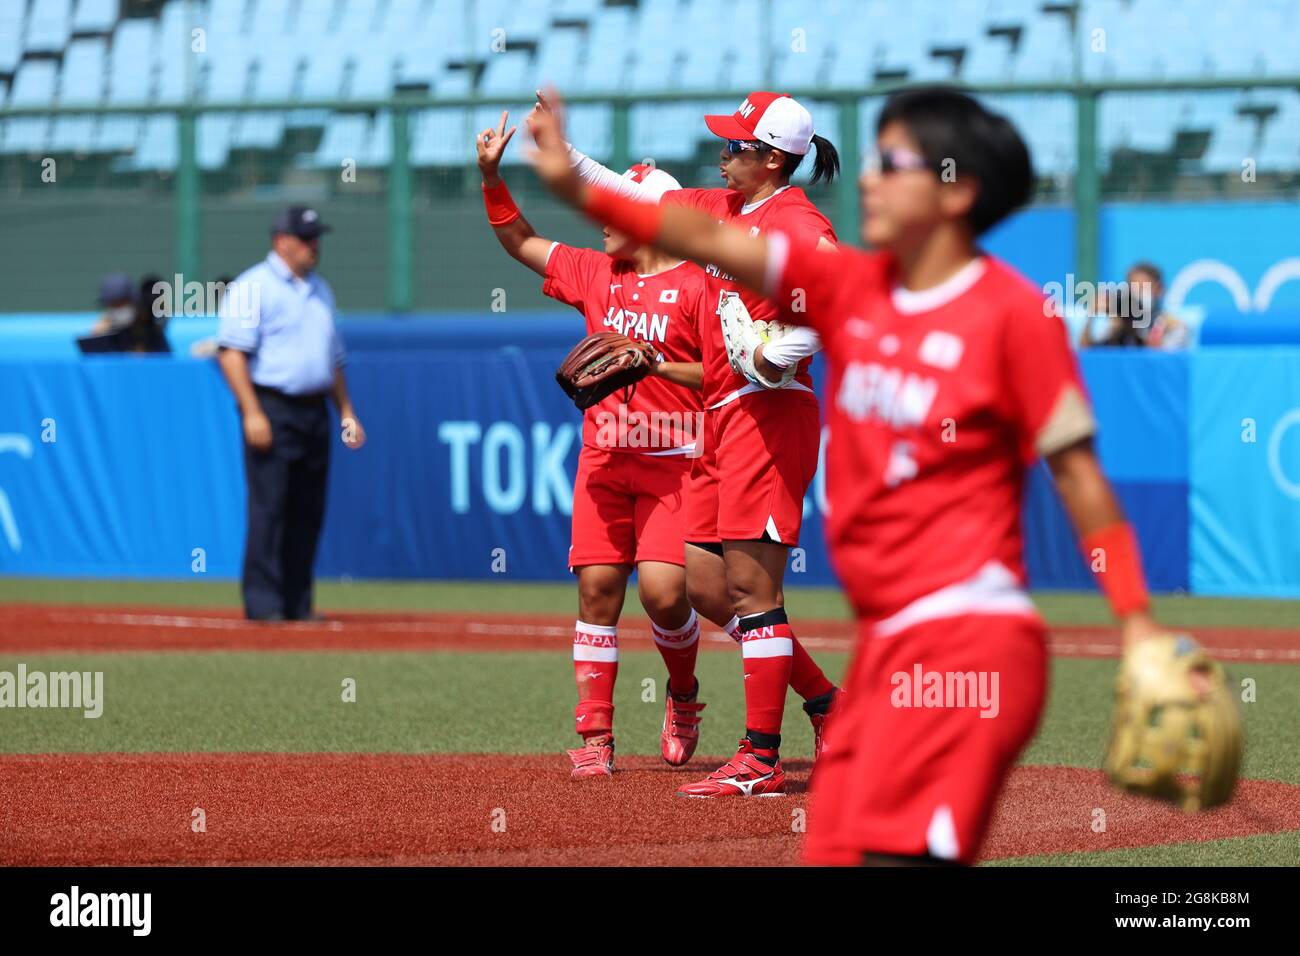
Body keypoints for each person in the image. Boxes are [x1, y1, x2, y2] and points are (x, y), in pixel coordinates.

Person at [526, 85, 1232, 862]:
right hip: (890, 641)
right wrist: (562, 171)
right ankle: (808, 719)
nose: (868, 177)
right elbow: (660, 217)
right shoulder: (853, 286)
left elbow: (1080, 478)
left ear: (956, 189)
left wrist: (1136, 622)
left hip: (972, 639)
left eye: (894, 162)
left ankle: (761, 755)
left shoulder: (1012, 315)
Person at [536, 90, 842, 797]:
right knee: (709, 589)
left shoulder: (797, 222)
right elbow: (626, 197)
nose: (723, 155)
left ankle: (761, 757)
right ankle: (828, 702)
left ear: (772, 159)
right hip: (721, 418)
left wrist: (784, 350)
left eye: (736, 147)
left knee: (751, 587)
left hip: (770, 412)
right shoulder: (723, 211)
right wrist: (565, 152)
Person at [216, 206, 365, 622]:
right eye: (306, 238)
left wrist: (346, 412)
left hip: (314, 409)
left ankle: (298, 603)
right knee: (270, 507)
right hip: (272, 406)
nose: (314, 246)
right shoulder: (253, 287)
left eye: (316, 237)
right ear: (282, 241)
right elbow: (231, 354)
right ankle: (264, 604)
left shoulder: (320, 289)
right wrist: (252, 412)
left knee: (307, 510)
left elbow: (332, 360)